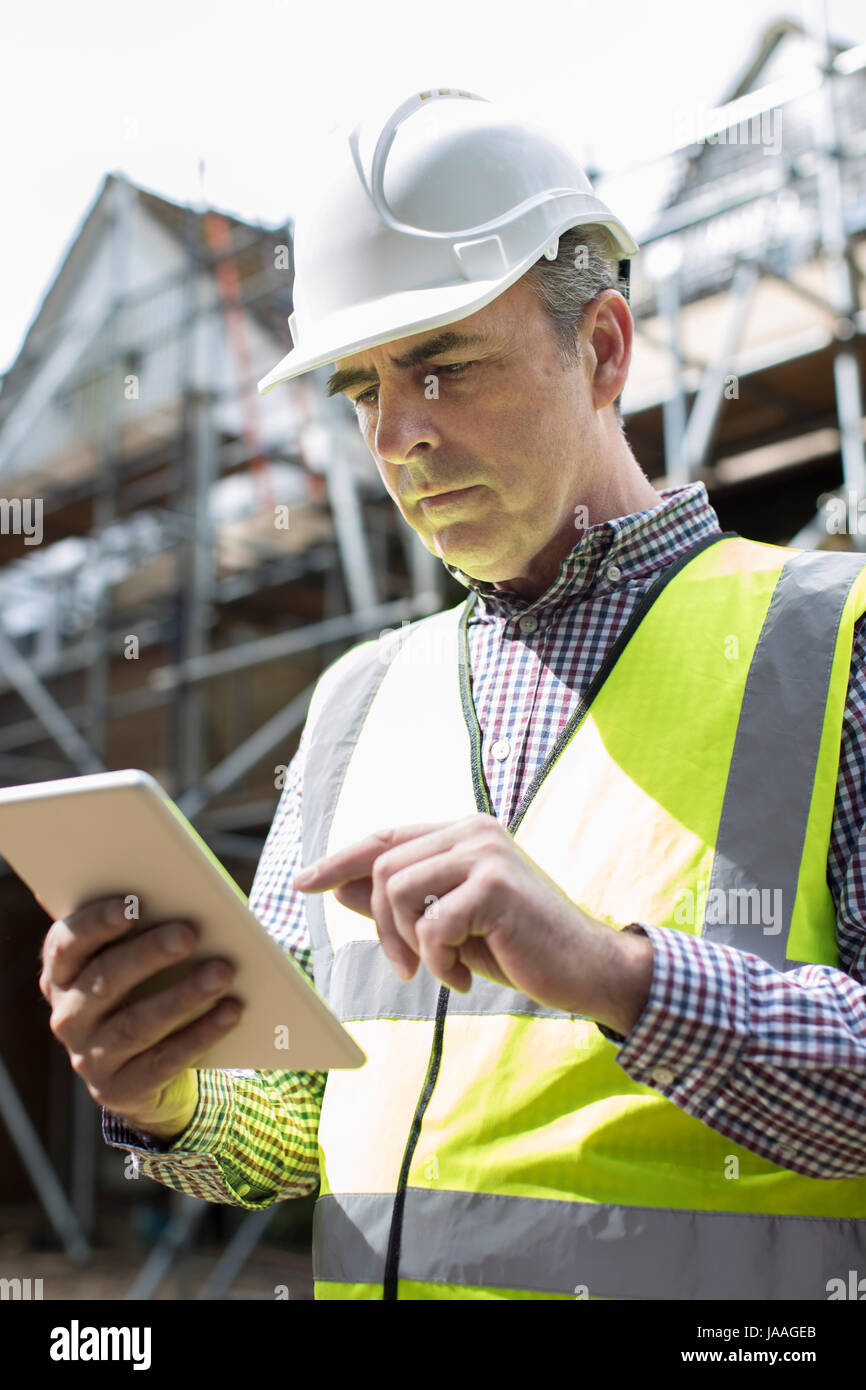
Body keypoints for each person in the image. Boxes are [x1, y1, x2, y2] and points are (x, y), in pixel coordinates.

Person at [39, 88, 866, 1300]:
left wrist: (613, 973)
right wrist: (167, 1092)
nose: (397, 438)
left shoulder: (830, 639)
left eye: (443, 365)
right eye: (363, 390)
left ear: (600, 349)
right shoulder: (355, 702)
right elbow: (290, 1131)